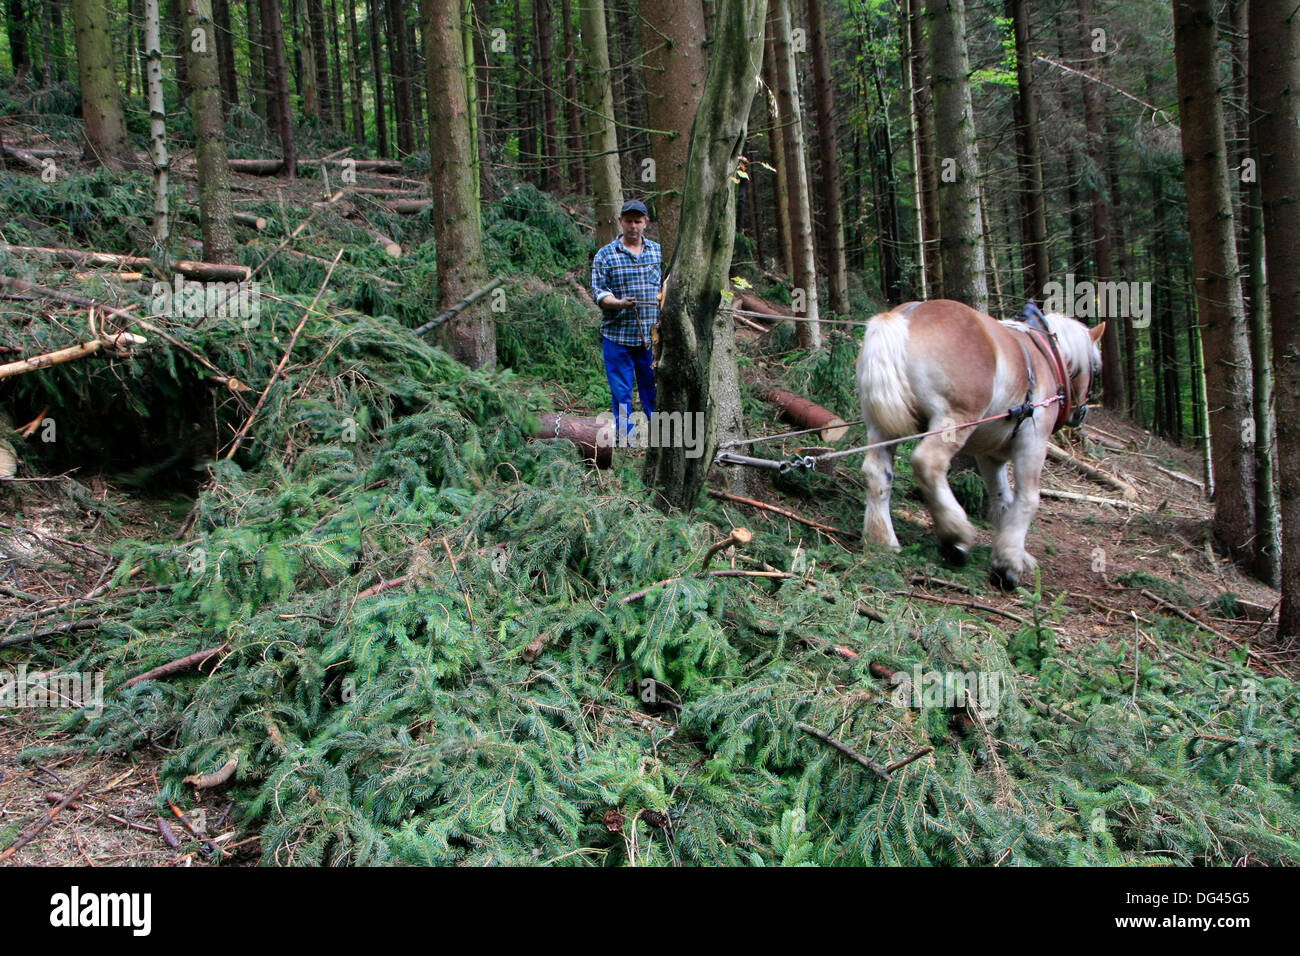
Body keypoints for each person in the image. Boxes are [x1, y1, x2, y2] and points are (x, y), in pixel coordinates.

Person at [590, 200, 662, 443]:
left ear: (646, 223)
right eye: (629, 221)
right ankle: (626, 438)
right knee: (621, 392)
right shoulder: (606, 255)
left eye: (638, 221)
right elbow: (599, 293)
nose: (633, 226)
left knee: (651, 389)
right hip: (617, 337)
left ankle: (658, 437)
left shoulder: (658, 252)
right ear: (621, 222)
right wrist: (620, 303)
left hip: (650, 338)